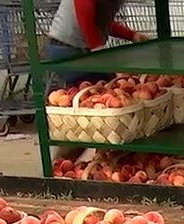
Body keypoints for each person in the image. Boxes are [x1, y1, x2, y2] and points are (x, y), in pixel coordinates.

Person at [44, 0, 150, 160]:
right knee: (91, 116)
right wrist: (97, 50)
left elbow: (99, 21)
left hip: (76, 49)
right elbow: (83, 7)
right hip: (70, 50)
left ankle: (109, 162)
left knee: (112, 107)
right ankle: (61, 169)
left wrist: (131, 35)